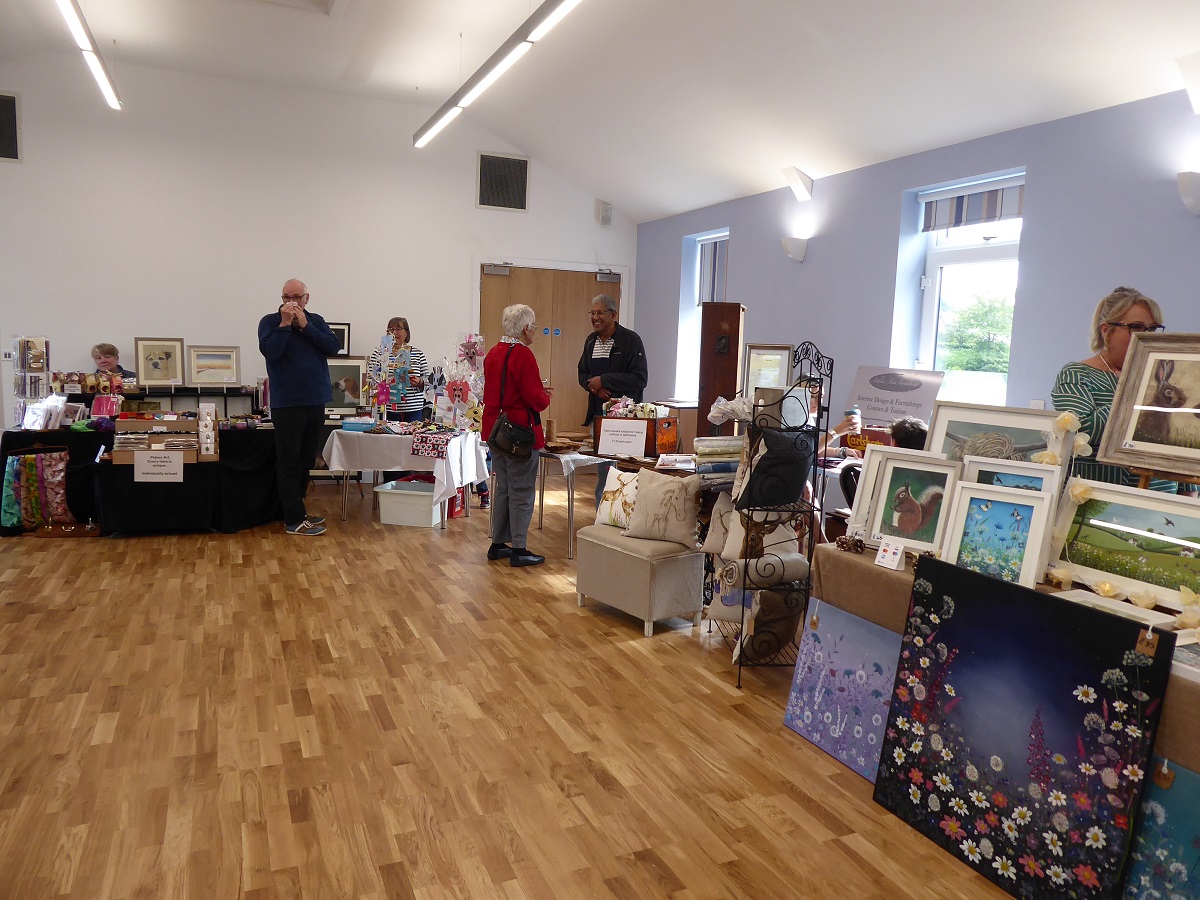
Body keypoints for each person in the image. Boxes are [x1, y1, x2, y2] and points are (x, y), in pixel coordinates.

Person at [1051, 285, 1175, 491]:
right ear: (1106, 330)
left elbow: (1175, 435)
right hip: (1100, 496)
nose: (1147, 335)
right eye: (1135, 327)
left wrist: (1190, 490)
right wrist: (1133, 388)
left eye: (1152, 328)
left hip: (1162, 494)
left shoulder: (1163, 375)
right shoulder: (1076, 374)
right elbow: (1081, 434)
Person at [258, 278, 341, 535]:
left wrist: (305, 326)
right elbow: (271, 352)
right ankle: (293, 520)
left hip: (315, 400)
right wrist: (285, 324)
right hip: (287, 404)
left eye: (296, 297)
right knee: (289, 461)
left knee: (306, 459)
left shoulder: (315, 320)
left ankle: (299, 511)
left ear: (307, 298)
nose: (291, 302)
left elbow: (333, 347)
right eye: (286, 297)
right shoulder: (270, 322)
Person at [483, 304, 553, 567]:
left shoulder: (493, 353)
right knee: (522, 489)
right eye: (533, 327)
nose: (535, 332)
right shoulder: (523, 355)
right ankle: (519, 549)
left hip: (496, 430)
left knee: (503, 488)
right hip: (519, 432)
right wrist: (545, 395)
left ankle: (498, 543)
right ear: (525, 329)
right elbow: (535, 399)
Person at [578, 293, 648, 505]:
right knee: (605, 472)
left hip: (626, 422)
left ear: (613, 315)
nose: (595, 317)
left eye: (600, 312)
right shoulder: (591, 341)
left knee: (625, 473)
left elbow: (640, 379)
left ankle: (626, 514)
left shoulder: (631, 340)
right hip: (599, 418)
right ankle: (604, 515)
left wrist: (604, 380)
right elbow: (582, 374)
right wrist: (595, 388)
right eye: (593, 313)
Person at [367, 316, 428, 422]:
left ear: (407, 333)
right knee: (388, 437)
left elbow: (428, 380)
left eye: (398, 329)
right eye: (391, 329)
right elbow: (371, 378)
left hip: (413, 409)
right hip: (387, 409)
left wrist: (420, 382)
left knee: (411, 437)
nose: (394, 332)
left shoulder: (417, 353)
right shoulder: (379, 353)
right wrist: (382, 382)